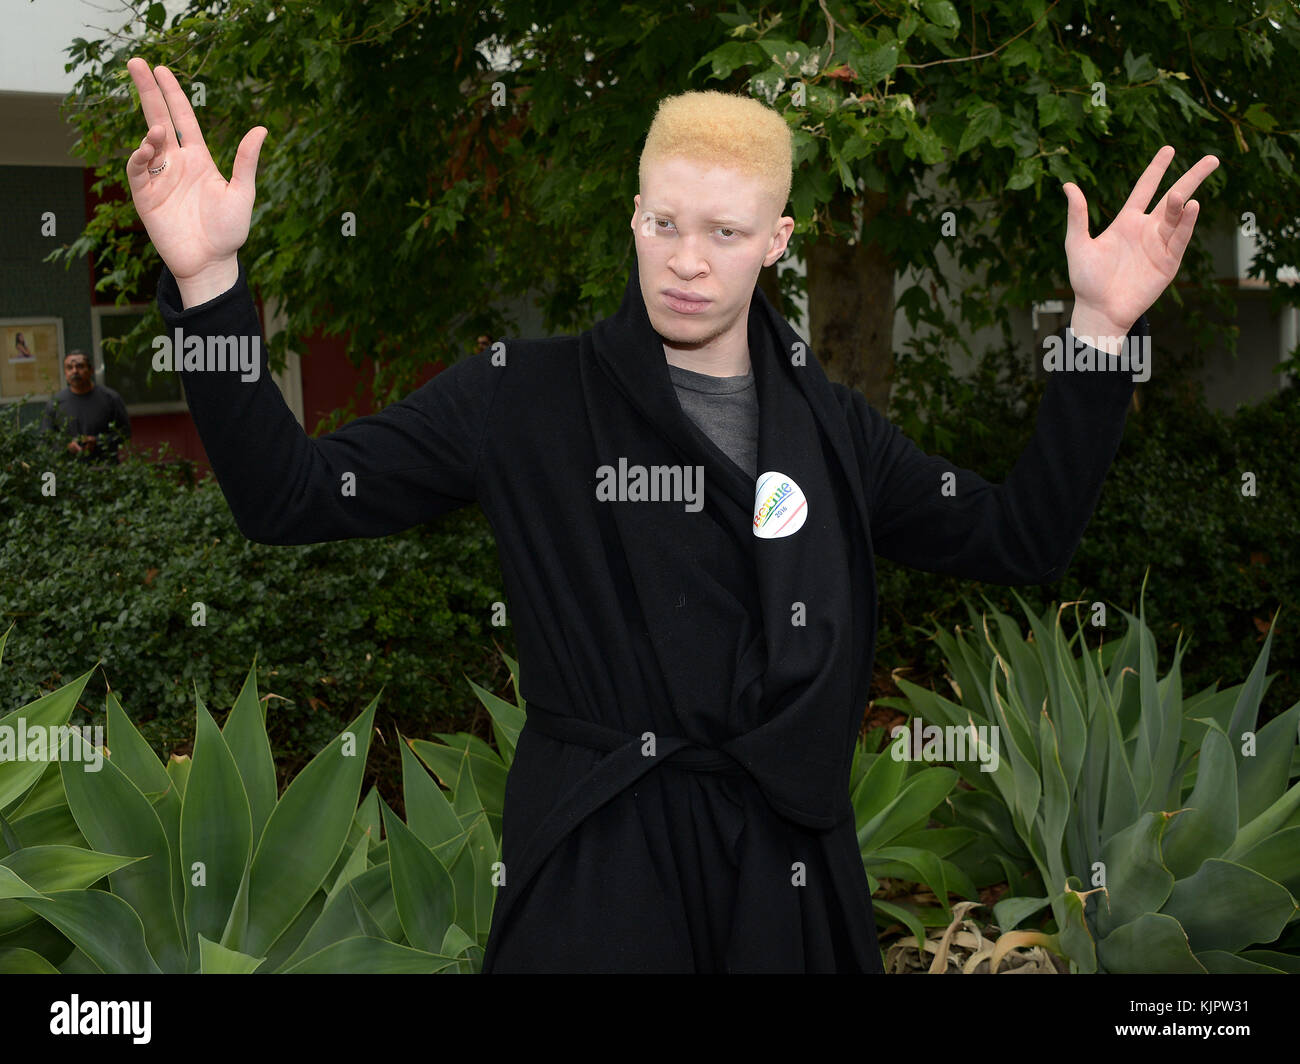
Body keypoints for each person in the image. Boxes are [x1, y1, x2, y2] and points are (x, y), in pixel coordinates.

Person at [124, 57, 1218, 973]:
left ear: (777, 240)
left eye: (726, 233)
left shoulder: (834, 428)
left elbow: (1018, 537)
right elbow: (291, 497)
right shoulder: (522, 394)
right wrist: (213, 281)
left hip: (786, 872)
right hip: (599, 867)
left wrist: (1097, 329)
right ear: (632, 215)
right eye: (664, 223)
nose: (688, 261)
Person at [40, 349, 132, 461]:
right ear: (65, 372)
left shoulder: (110, 398)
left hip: (105, 467)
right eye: (69, 368)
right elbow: (47, 438)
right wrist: (66, 446)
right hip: (69, 470)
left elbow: (125, 432)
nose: (75, 371)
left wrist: (97, 441)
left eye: (80, 366)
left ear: (91, 370)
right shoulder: (55, 403)